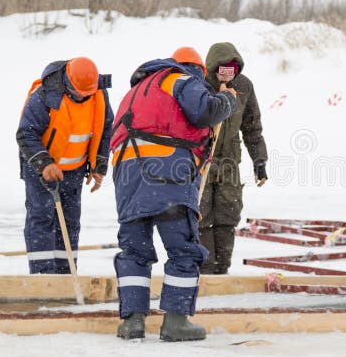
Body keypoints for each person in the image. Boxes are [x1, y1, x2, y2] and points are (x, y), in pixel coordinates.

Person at [111, 47, 237, 341]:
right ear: (194, 69)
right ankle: (176, 321)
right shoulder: (179, 79)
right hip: (165, 171)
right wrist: (227, 101)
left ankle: (132, 321)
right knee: (183, 248)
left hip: (127, 175)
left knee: (134, 251)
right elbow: (206, 111)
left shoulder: (137, 90)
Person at [16, 57, 114, 274]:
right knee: (42, 219)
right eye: (79, 92)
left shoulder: (98, 94)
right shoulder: (43, 96)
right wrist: (45, 164)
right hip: (41, 169)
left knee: (69, 224)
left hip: (75, 170)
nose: (83, 96)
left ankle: (66, 273)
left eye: (87, 93)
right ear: (68, 82)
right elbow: (25, 133)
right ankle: (43, 276)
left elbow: (105, 130)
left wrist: (99, 166)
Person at [198, 42, 268, 274]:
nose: (228, 74)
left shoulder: (244, 86)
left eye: (232, 69)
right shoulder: (199, 85)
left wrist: (260, 161)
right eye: (222, 69)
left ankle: (222, 267)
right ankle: (205, 268)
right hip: (202, 160)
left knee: (228, 213)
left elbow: (252, 127)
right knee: (202, 214)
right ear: (212, 68)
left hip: (230, 161)